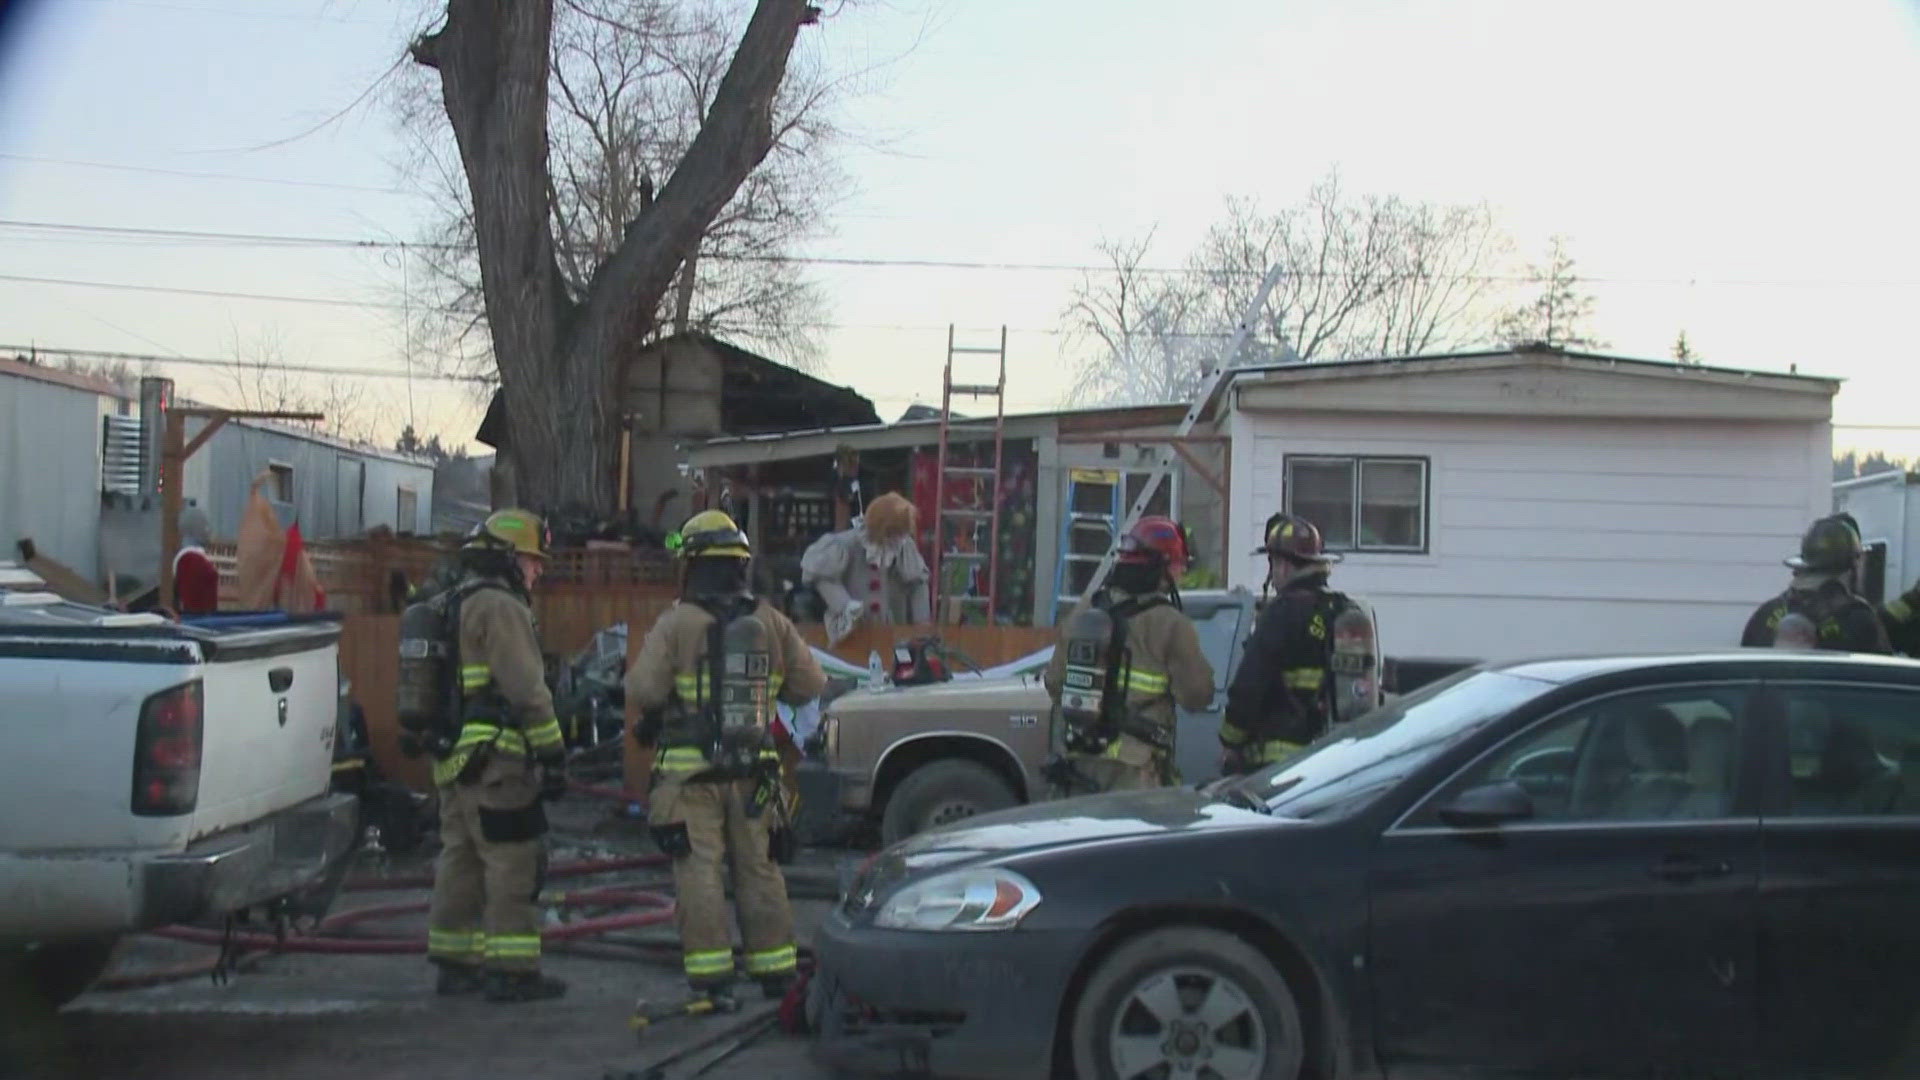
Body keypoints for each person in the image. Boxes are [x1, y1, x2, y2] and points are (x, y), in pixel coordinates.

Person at [626, 510, 826, 1004]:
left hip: (689, 778)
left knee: (699, 871)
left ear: (691, 565)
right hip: (754, 775)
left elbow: (643, 690)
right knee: (759, 869)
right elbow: (810, 687)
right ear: (742, 564)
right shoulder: (771, 621)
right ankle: (776, 972)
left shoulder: (676, 623)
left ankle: (712, 979)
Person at [424, 509, 570, 1003]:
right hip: (499, 766)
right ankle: (512, 971)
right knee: (512, 862)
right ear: (509, 558)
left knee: (460, 858)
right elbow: (527, 689)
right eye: (533, 560)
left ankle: (455, 962)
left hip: (455, 761)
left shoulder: (451, 602)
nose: (539, 570)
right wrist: (552, 751)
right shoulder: (500, 607)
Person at [1043, 516, 1213, 793]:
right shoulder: (1170, 623)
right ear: (1164, 567)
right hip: (1134, 773)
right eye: (1180, 565)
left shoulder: (1085, 611)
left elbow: (1054, 682)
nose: (1182, 573)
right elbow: (1197, 696)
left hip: (1077, 762)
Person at [1219, 513, 1352, 775]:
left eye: (1273, 562)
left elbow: (1249, 684)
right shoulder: (1339, 608)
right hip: (1326, 759)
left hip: (1274, 761)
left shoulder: (1282, 612)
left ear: (1283, 566)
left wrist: (1229, 742)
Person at [1741, 513, 1891, 653]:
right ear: (1851, 567)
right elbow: (1886, 676)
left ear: (1801, 567)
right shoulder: (1861, 622)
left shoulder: (1765, 615)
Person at [799, 492, 932, 645]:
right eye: (892, 532)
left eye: (900, 533)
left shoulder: (904, 546)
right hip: (852, 632)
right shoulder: (844, 545)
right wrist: (845, 606)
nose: (896, 539)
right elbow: (822, 577)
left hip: (892, 630)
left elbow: (918, 583)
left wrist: (922, 624)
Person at [173, 506, 219, 615]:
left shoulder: (195, 557)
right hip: (198, 622)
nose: (208, 530)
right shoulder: (190, 559)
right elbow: (192, 601)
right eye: (204, 525)